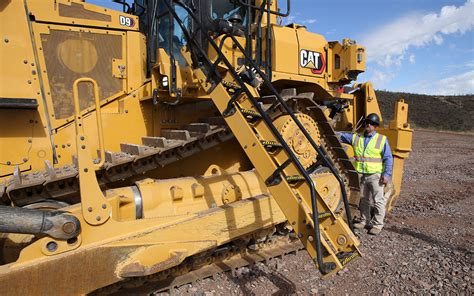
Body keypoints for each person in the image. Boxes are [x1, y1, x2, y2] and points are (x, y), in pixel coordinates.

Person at [338, 113, 393, 235]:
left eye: (372, 123)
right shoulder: (356, 137)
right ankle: (364, 221)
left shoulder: (381, 139)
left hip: (375, 175)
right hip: (361, 175)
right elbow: (340, 136)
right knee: (363, 200)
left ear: (375, 126)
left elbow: (388, 158)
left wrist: (386, 174)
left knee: (378, 201)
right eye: (367, 122)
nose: (369, 124)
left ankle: (378, 225)